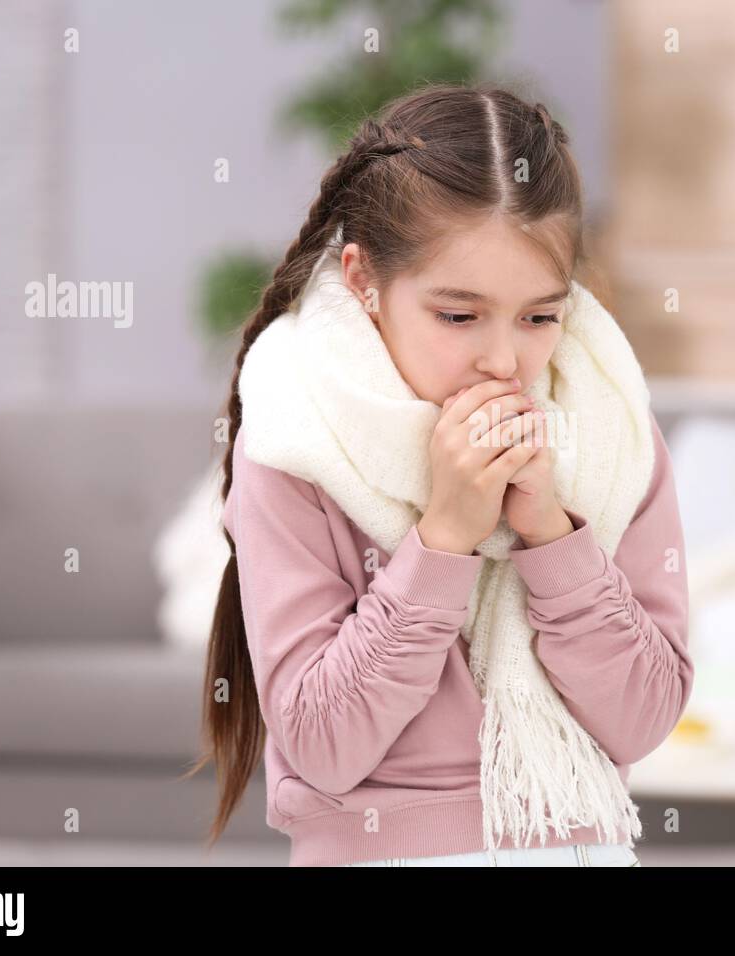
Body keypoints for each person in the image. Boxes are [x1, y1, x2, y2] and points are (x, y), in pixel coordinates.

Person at [186, 83, 692, 867]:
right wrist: (446, 538)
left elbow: (645, 718)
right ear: (363, 280)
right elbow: (323, 742)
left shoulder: (611, 429)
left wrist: (552, 538)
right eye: (459, 316)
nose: (503, 360)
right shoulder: (297, 440)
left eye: (540, 317)